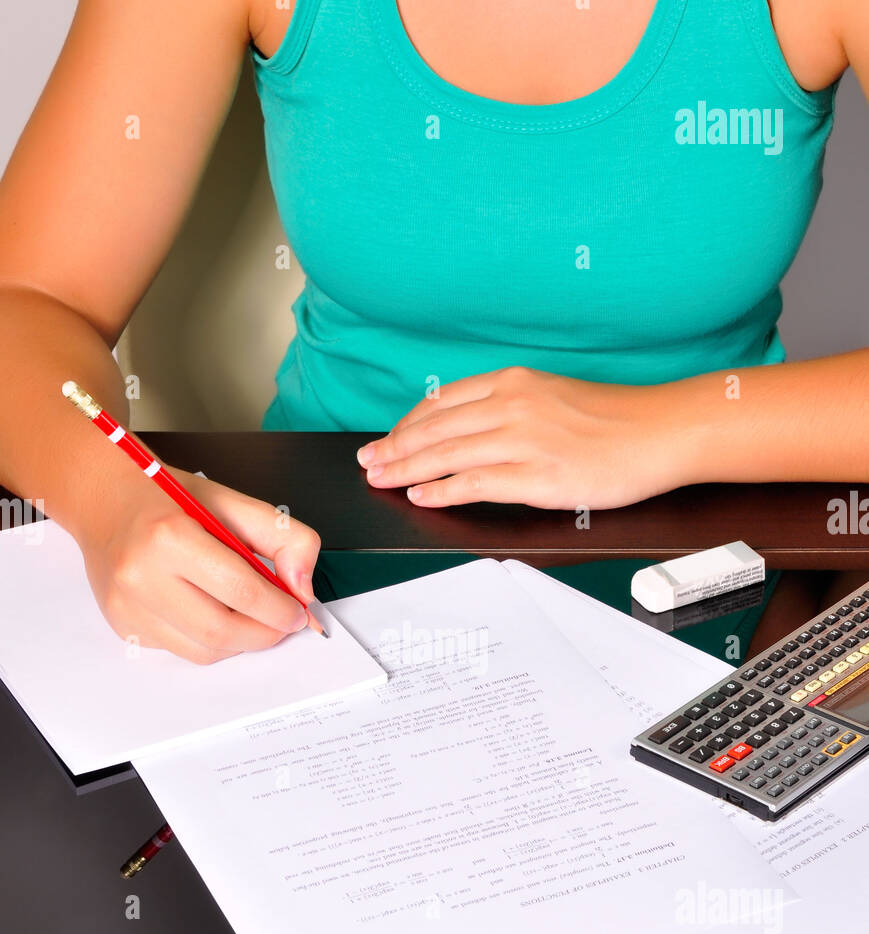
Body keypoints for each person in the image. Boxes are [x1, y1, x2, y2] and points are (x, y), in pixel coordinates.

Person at [0, 0, 866, 664]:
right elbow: (28, 301)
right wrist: (110, 497)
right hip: (300, 570)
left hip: (723, 573)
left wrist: (669, 426)